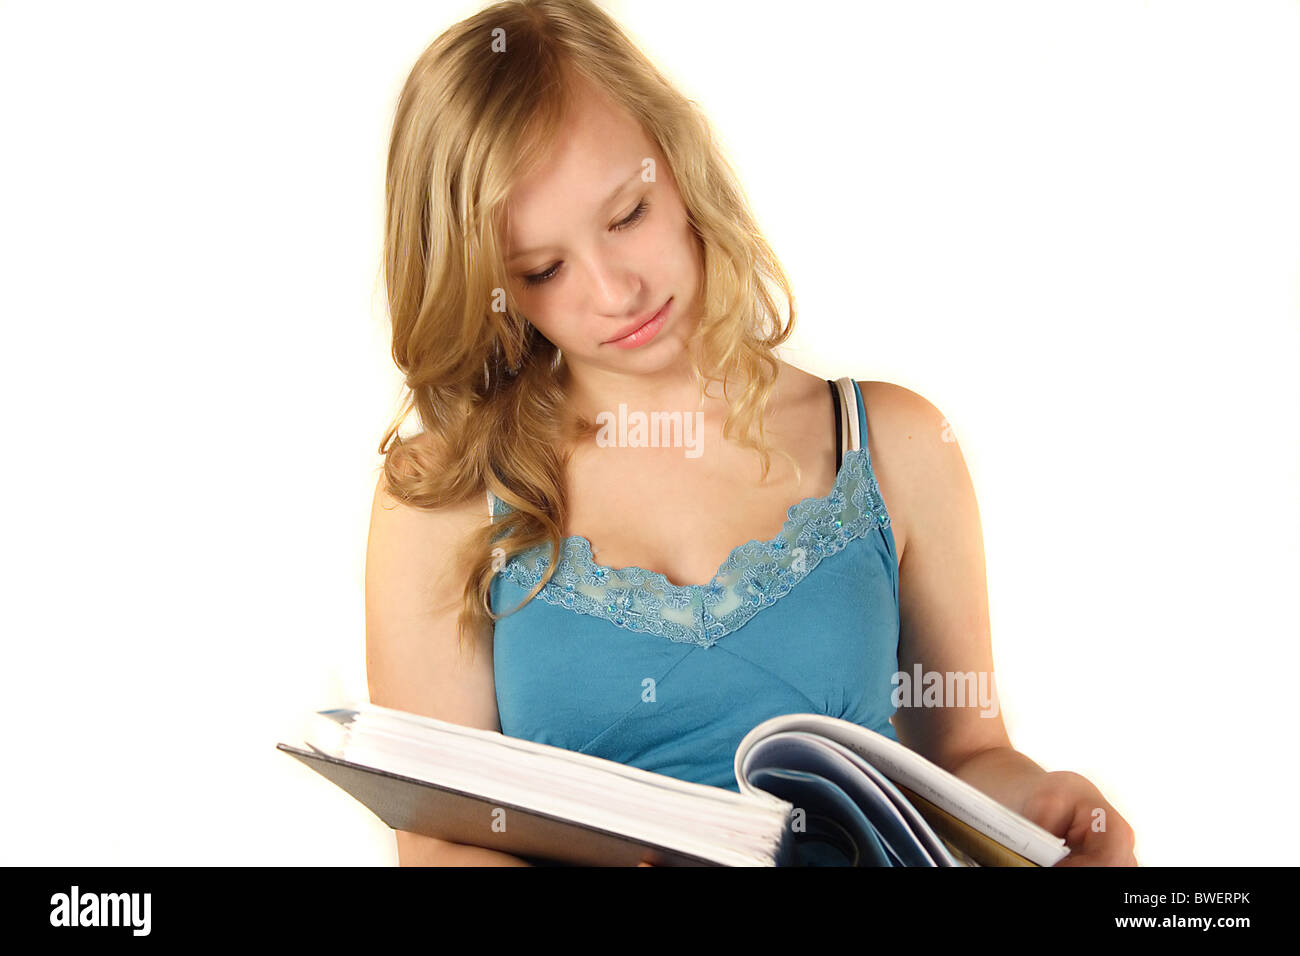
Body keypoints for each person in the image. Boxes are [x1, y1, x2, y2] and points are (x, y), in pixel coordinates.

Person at [364, 0, 1136, 867]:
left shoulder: (895, 446)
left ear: (679, 161)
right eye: (542, 270)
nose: (615, 292)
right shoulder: (445, 496)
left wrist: (1045, 809)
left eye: (627, 216)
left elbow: (963, 759)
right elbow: (438, 844)